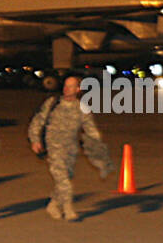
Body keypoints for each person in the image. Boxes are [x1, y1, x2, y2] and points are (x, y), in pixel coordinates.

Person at [28, 74, 114, 220]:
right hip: (54, 148)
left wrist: (97, 145)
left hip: (71, 149)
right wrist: (35, 140)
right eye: (65, 86)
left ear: (78, 89)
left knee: (64, 179)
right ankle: (68, 209)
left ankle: (54, 204)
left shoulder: (82, 108)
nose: (67, 89)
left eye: (71, 86)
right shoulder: (53, 103)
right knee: (64, 181)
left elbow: (90, 128)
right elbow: (37, 121)